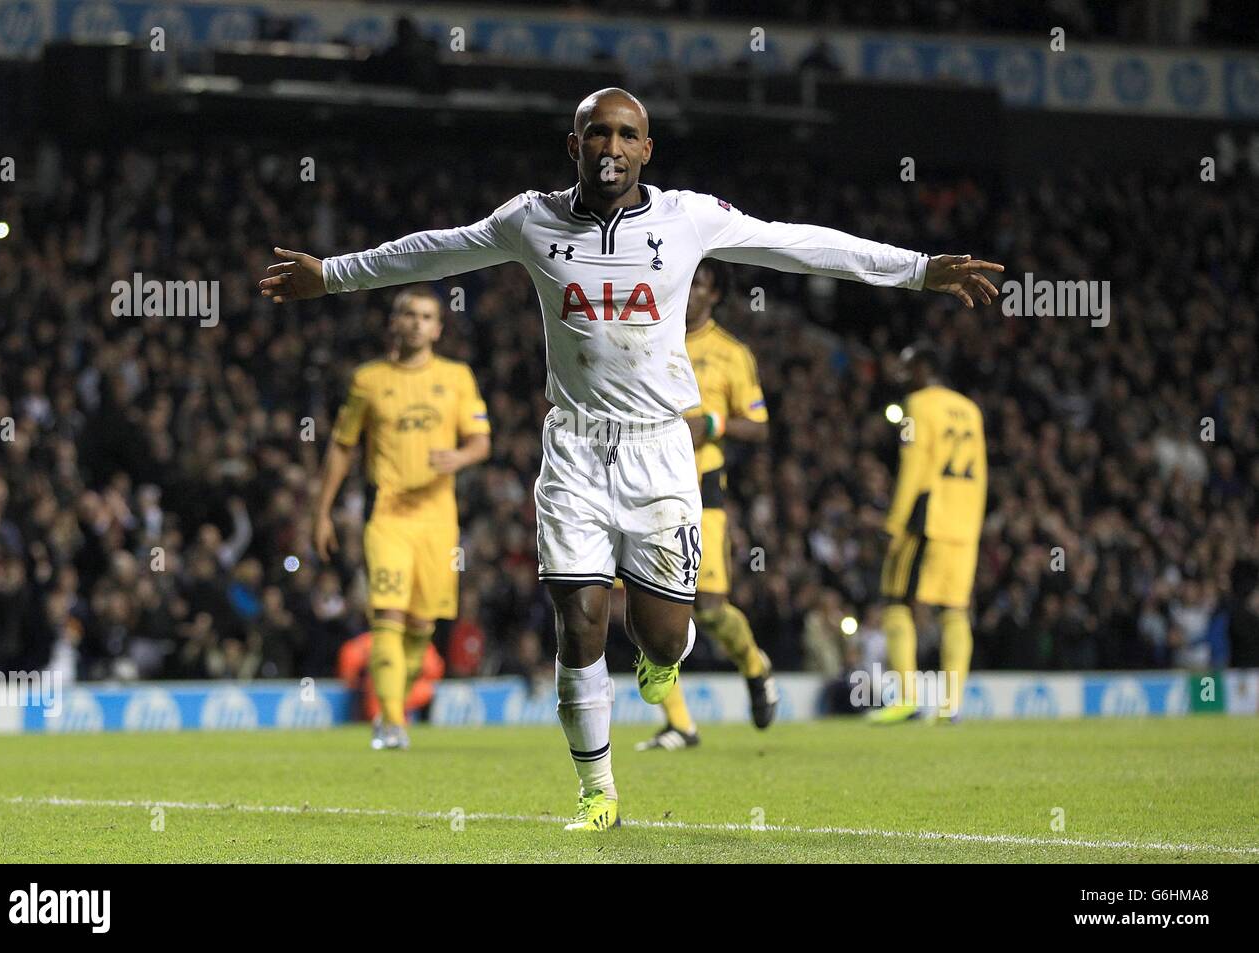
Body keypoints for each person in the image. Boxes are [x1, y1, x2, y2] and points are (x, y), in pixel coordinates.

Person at [260, 87, 1003, 830]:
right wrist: (331, 274)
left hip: (660, 450)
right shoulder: (531, 219)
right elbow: (437, 246)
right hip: (577, 445)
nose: (610, 147)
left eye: (626, 135)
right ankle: (597, 790)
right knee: (579, 618)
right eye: (596, 134)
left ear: (647, 148)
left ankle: (660, 664)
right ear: (574, 144)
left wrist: (917, 269)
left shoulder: (688, 218)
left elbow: (798, 242)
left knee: (666, 636)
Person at [312, 286, 491, 750]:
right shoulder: (368, 380)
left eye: (425, 316)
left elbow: (481, 441)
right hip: (387, 515)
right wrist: (322, 512)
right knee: (387, 615)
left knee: (421, 626)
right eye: (407, 314)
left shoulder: (456, 377)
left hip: (438, 521)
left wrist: (457, 457)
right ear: (393, 323)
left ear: (438, 326)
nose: (415, 322)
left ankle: (397, 705)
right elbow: (342, 446)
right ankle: (390, 720)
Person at [637, 259, 779, 751]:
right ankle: (680, 723)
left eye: (699, 283)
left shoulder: (730, 353)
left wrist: (713, 425)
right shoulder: (649, 334)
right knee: (638, 602)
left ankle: (755, 666)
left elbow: (759, 426)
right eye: (684, 280)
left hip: (702, 489)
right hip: (644, 484)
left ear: (714, 294)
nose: (688, 290)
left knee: (712, 608)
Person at [870, 343, 987, 724]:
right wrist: (974, 523)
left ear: (924, 369)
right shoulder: (971, 410)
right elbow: (983, 475)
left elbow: (914, 466)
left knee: (895, 602)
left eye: (908, 368)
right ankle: (951, 706)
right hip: (965, 522)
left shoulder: (917, 406)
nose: (903, 376)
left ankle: (907, 697)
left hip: (927, 518)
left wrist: (894, 523)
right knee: (954, 611)